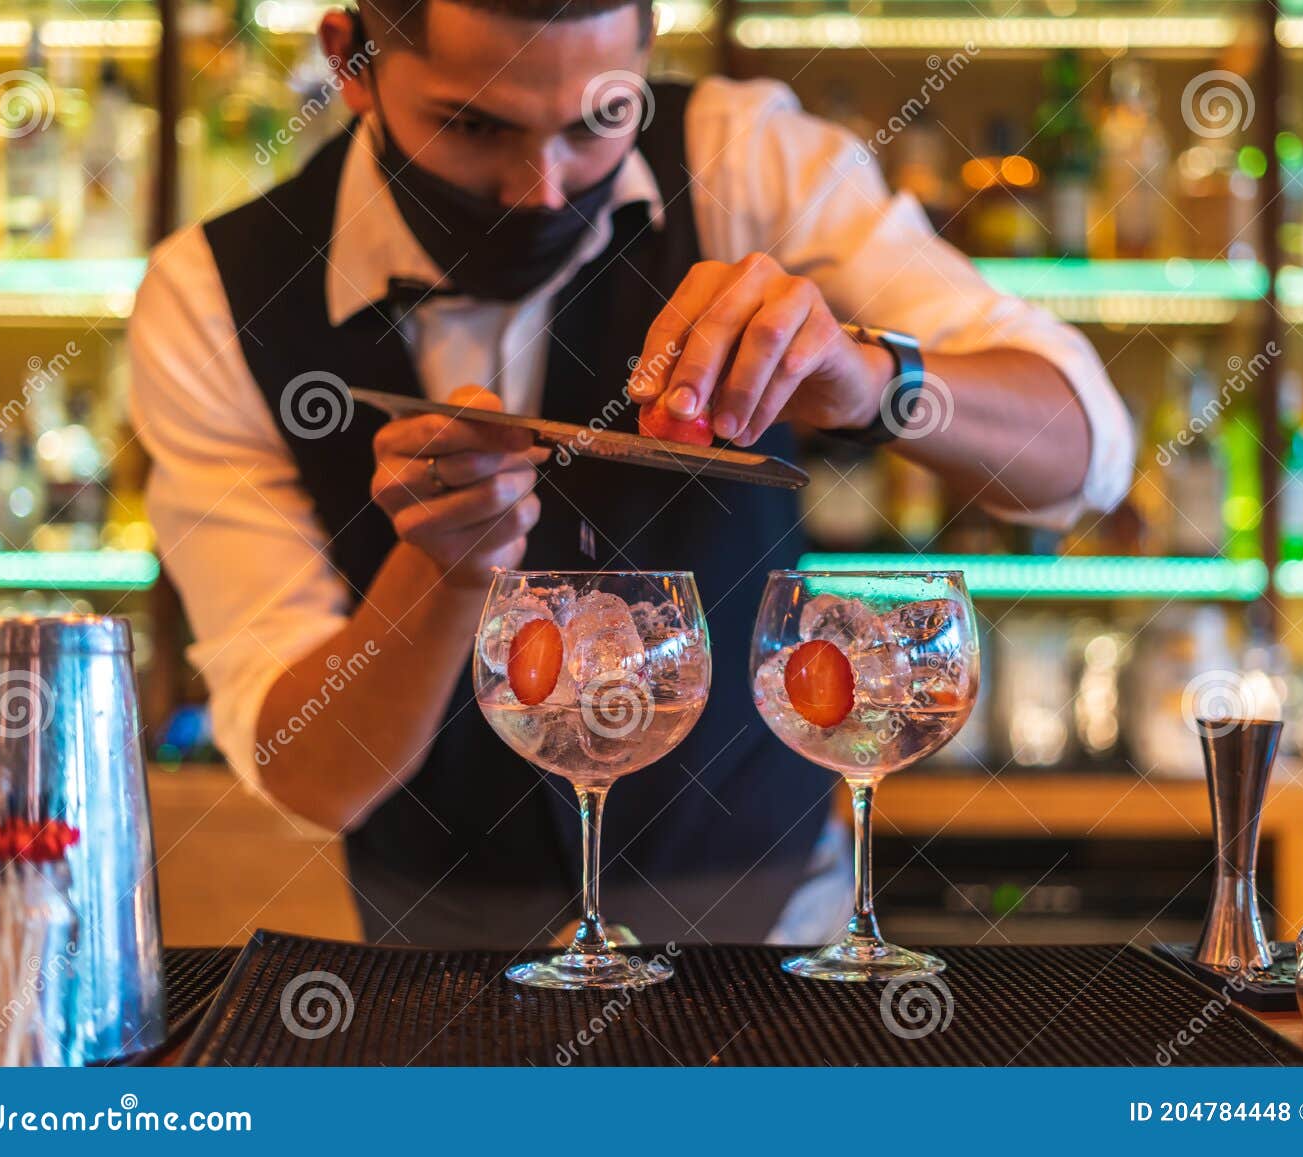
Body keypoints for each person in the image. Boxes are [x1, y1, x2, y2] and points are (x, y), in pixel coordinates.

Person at [128, 0, 1134, 948]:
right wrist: (440, 575)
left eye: (599, 119)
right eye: (475, 128)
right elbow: (311, 774)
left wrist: (868, 379)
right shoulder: (219, 293)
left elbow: (1085, 451)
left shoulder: (751, 158)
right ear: (350, 58)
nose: (543, 187)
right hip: (436, 961)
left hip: (778, 928)